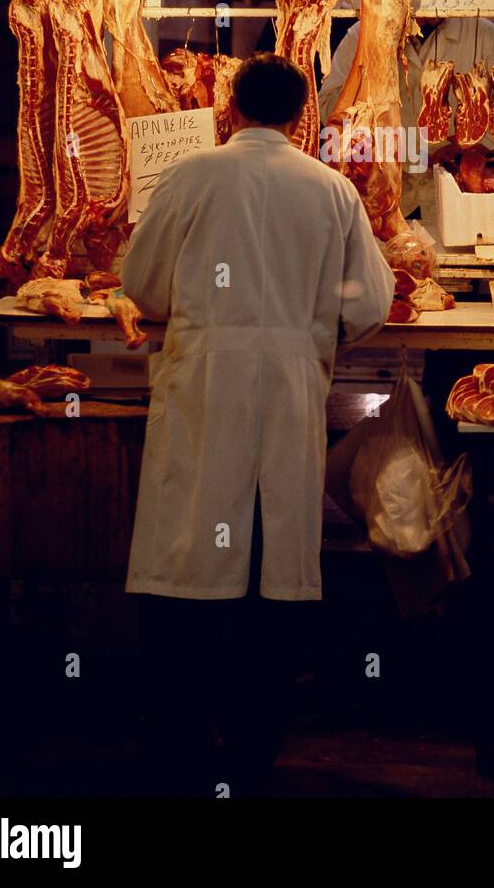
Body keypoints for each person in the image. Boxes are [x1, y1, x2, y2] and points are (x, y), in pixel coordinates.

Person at [120, 53, 395, 795]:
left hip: (202, 390)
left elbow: (141, 284)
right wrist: (311, 328)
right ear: (302, 116)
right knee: (270, 580)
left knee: (189, 565)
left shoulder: (191, 176)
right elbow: (367, 305)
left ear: (230, 108)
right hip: (288, 395)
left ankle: (178, 753)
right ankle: (251, 757)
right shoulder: (332, 190)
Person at [318, 14, 494, 223]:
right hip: (384, 203)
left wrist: (462, 154)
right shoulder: (362, 34)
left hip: (463, 203)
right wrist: (371, 79)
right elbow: (329, 107)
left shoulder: (485, 37)